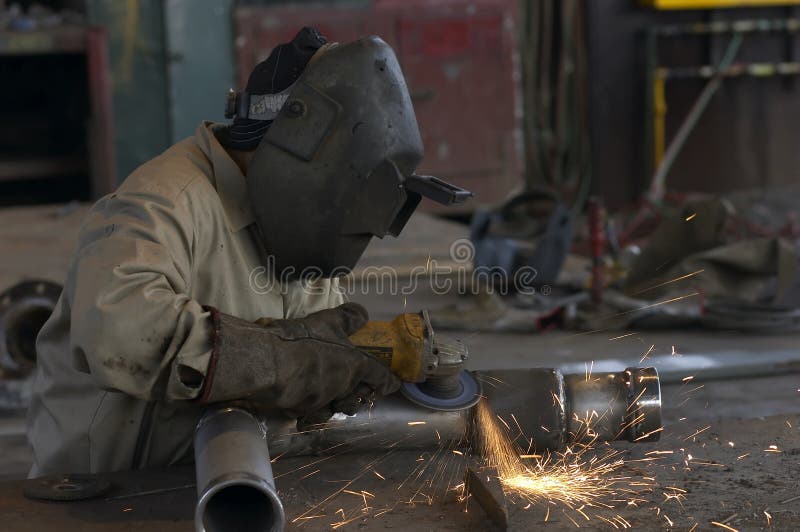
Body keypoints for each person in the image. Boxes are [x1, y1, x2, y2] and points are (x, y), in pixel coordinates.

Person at [27, 27, 466, 475]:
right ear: (296, 146)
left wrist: (329, 382)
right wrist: (290, 359)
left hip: (235, 485)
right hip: (106, 491)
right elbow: (115, 330)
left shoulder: (304, 227)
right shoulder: (163, 200)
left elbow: (301, 375)